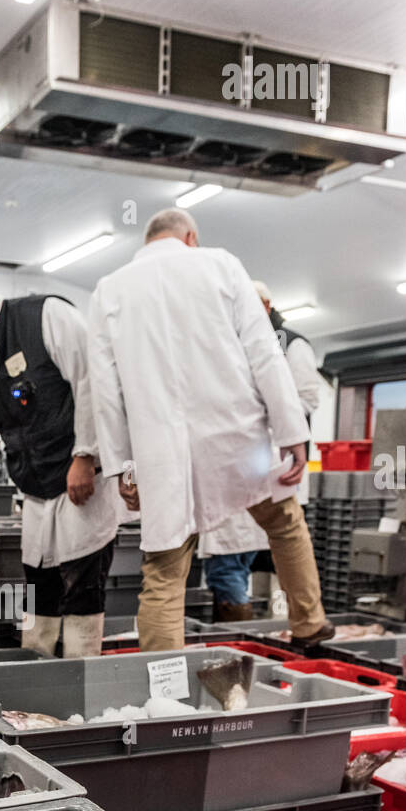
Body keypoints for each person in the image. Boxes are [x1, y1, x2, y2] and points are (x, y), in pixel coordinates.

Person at [88, 207, 332, 652]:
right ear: (190, 236)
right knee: (284, 522)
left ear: (148, 240)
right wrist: (293, 433)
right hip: (236, 438)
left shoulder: (108, 290)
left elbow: (104, 394)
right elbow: (264, 353)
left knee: (162, 570)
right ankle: (309, 623)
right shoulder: (220, 263)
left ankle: (162, 695)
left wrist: (123, 469)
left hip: (160, 452)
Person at [0, 282, 121, 658]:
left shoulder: (47, 316)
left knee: (82, 586)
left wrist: (86, 455)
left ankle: (83, 686)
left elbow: (92, 381)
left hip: (81, 485)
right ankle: (39, 684)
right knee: (38, 588)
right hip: (34, 493)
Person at [200, 280, 324, 619]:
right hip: (232, 464)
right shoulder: (229, 344)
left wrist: (258, 412)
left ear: (266, 307)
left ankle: (280, 629)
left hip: (272, 463)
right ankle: (240, 632)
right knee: (227, 561)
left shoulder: (292, 344)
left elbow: (307, 398)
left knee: (251, 558)